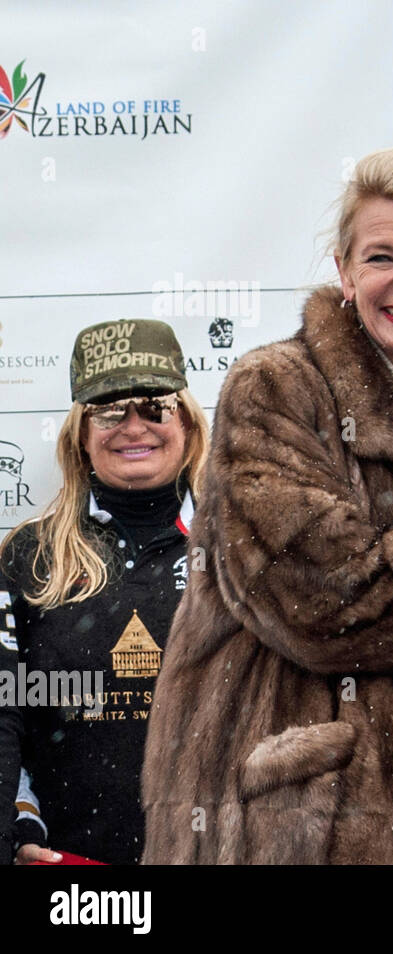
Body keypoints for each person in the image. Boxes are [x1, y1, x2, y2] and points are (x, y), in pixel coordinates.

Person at [139, 146, 393, 865]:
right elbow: (321, 600)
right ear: (345, 268)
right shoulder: (277, 387)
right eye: (383, 256)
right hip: (292, 817)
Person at [0, 320, 209, 865]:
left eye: (154, 406)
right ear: (80, 432)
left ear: (186, 421)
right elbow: (5, 708)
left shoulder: (245, 547)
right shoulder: (29, 557)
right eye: (110, 410)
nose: (133, 427)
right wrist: (17, 822)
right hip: (75, 875)